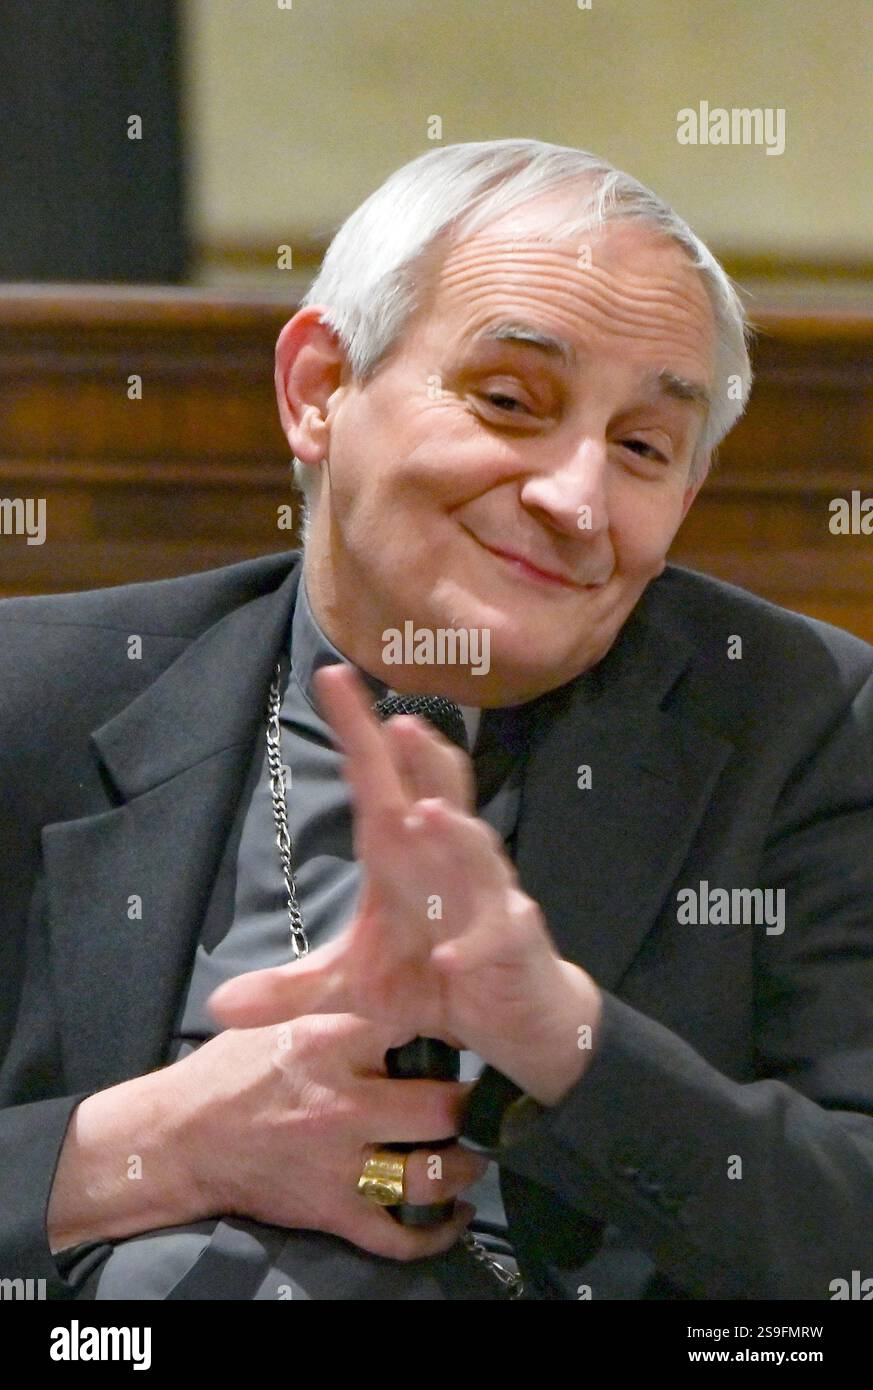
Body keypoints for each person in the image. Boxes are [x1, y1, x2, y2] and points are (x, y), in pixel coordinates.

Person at [2, 138, 872, 1301]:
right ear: (318, 388)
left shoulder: (803, 724)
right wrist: (150, 1145)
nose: (576, 499)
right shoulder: (40, 698)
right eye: (511, 401)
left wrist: (561, 1032)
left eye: (642, 448)